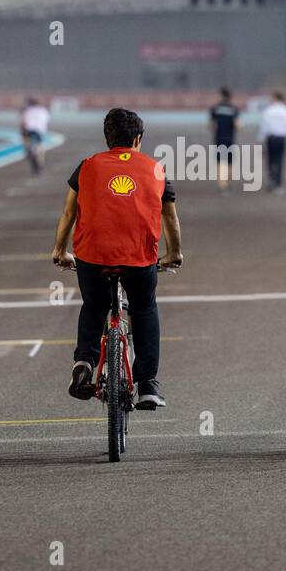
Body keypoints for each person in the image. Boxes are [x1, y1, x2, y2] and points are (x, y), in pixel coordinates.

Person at [51, 108, 183, 409]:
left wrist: (59, 250)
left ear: (107, 138)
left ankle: (83, 361)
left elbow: (69, 213)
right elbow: (170, 218)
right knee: (144, 306)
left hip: (92, 255)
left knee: (94, 305)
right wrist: (174, 253)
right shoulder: (155, 169)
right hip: (139, 257)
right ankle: (147, 383)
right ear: (138, 138)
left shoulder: (87, 166)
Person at [258, 90, 286, 192]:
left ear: (275, 98)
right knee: (279, 161)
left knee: (270, 160)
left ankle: (271, 180)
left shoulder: (268, 111)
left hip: (271, 138)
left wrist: (260, 140)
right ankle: (278, 184)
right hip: (281, 139)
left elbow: (264, 127)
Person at [208, 87, 240, 194]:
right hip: (230, 139)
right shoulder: (234, 109)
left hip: (219, 139)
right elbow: (237, 125)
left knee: (220, 162)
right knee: (230, 163)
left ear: (221, 95)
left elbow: (211, 125)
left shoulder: (215, 108)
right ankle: (227, 182)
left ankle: (222, 186)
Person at [20, 97, 51, 174]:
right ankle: (40, 164)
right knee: (40, 147)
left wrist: (23, 132)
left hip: (29, 130)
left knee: (28, 145)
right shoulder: (43, 110)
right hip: (39, 131)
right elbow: (46, 122)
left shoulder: (27, 110)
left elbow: (23, 122)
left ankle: (29, 151)